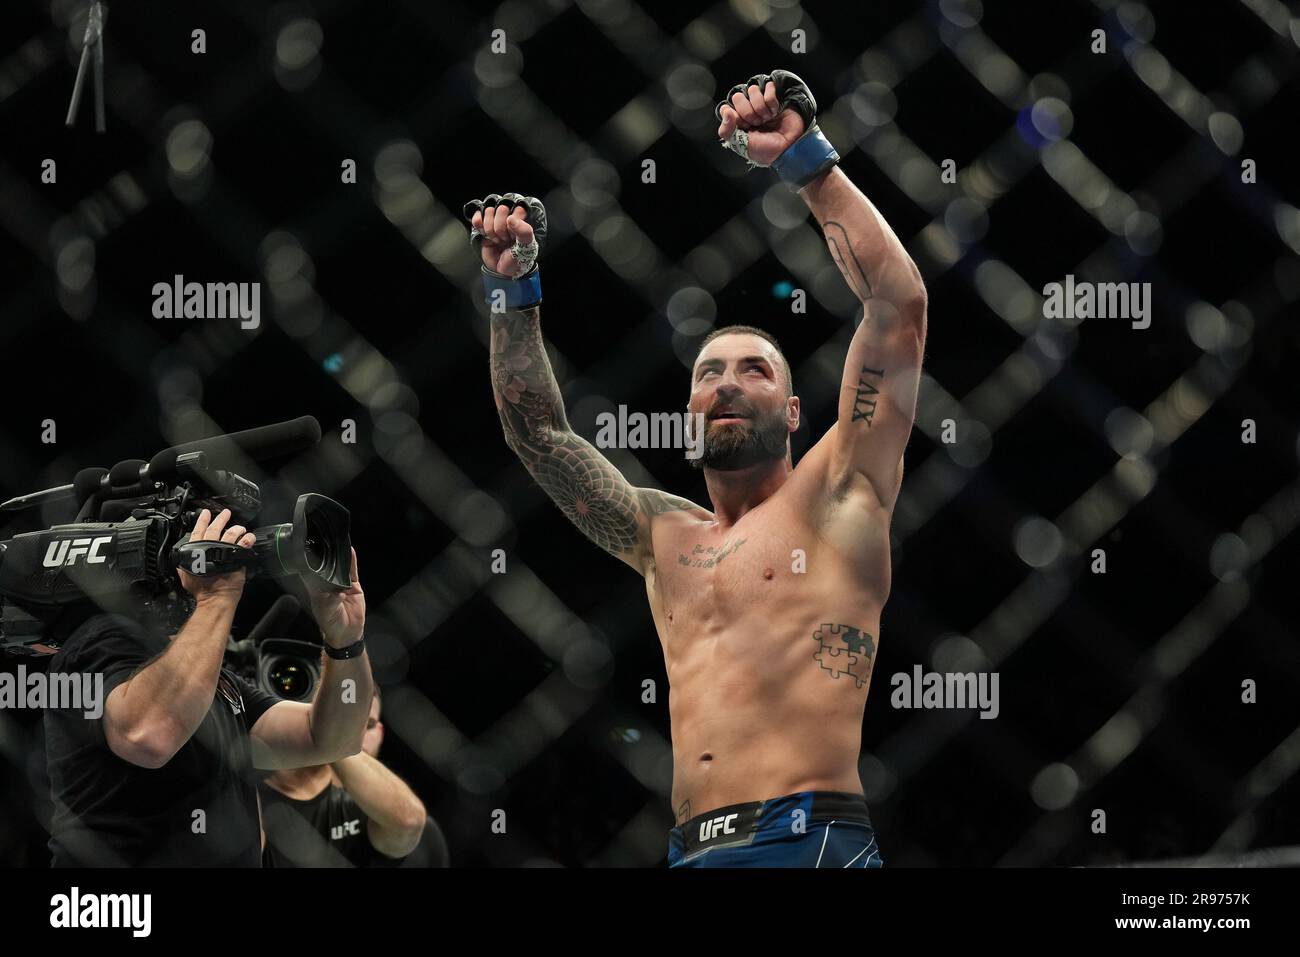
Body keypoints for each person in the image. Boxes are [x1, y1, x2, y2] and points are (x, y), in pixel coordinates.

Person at [466, 70, 927, 867]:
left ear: (792, 413)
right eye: (709, 372)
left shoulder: (840, 490)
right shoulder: (662, 537)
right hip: (689, 849)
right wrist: (514, 293)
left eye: (755, 369)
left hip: (808, 840)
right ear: (688, 412)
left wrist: (807, 164)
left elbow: (897, 305)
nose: (725, 383)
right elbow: (539, 435)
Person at [43, 506, 372, 866]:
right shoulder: (98, 641)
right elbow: (148, 736)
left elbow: (331, 739)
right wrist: (218, 597)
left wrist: (345, 641)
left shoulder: (215, 680)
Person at [260, 687, 449, 867]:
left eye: (368, 725)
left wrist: (331, 734)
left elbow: (408, 821)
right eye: (344, 724)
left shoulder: (413, 829)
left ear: (380, 733)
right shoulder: (253, 795)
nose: (355, 736)